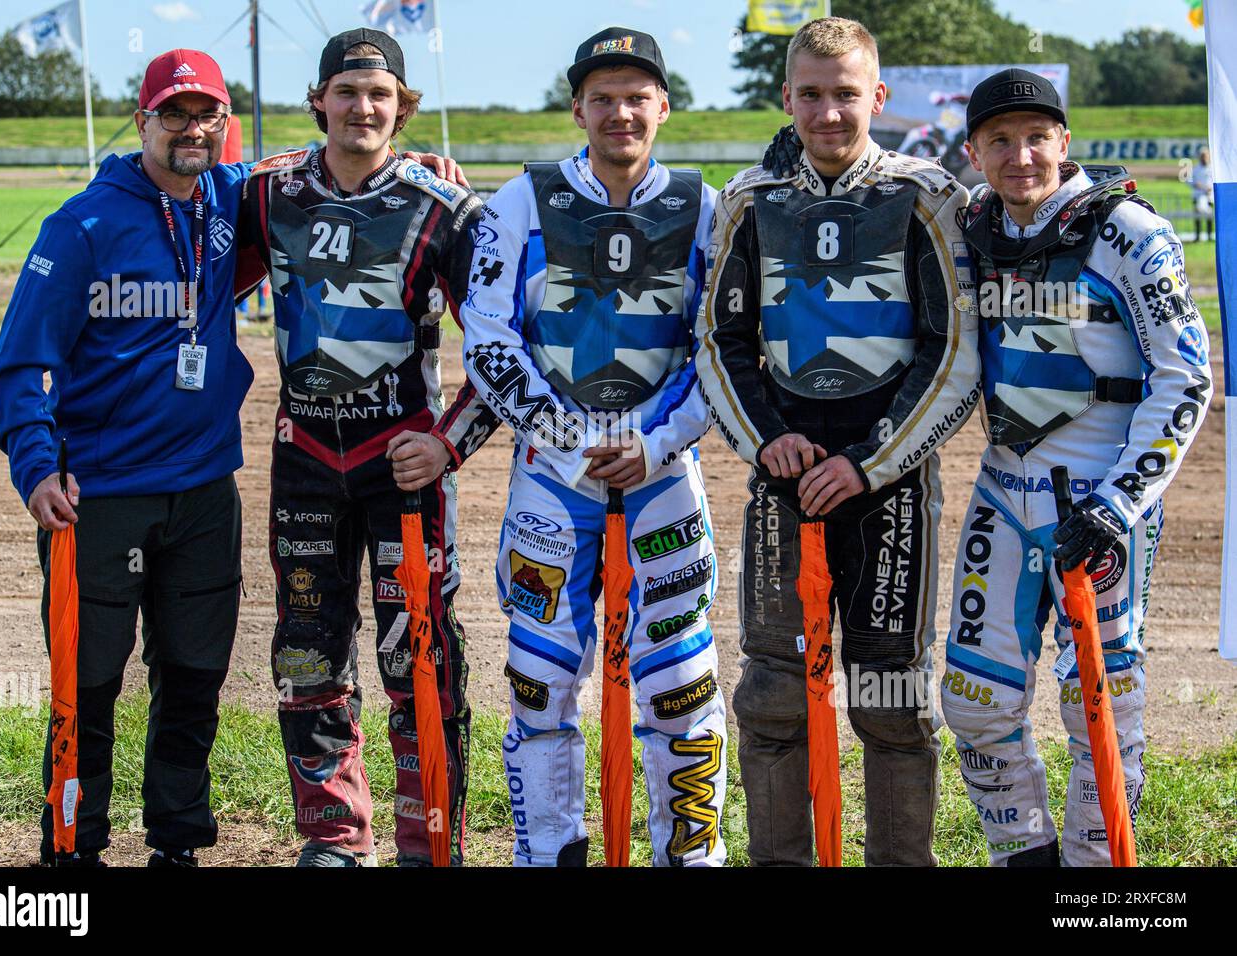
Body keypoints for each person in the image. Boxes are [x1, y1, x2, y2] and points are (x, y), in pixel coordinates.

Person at [696, 16, 980, 866]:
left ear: (878, 97)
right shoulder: (750, 201)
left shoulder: (927, 195)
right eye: (811, 94)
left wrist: (871, 463)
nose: (828, 112)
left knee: (893, 698)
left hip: (890, 486)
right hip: (783, 479)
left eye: (846, 93)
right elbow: (720, 342)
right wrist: (766, 444)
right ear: (786, 97)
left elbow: (954, 350)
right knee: (774, 695)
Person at [461, 27, 728, 866]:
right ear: (577, 107)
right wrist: (572, 441)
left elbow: (725, 344)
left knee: (680, 682)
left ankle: (689, 856)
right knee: (539, 681)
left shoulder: (709, 208)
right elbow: (487, 338)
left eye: (637, 96)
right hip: (552, 477)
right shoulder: (519, 202)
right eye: (603, 97)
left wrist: (659, 443)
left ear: (664, 106)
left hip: (664, 477)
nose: (621, 111)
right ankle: (549, 854)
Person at [236, 28, 499, 867]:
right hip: (304, 461)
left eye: (380, 95)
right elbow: (183, 238)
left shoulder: (445, 208)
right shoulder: (266, 196)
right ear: (319, 101)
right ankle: (334, 841)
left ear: (402, 106)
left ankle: (430, 844)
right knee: (307, 650)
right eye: (346, 93)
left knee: (418, 656)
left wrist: (449, 446)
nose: (363, 108)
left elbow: (505, 351)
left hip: (404, 468)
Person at [0, 49, 253, 867]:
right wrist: (36, 466)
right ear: (142, 120)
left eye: (206, 113)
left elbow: (331, 165)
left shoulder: (231, 200)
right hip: (99, 497)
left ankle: (178, 846)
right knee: (88, 687)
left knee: (195, 680)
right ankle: (71, 852)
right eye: (173, 113)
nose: (191, 128)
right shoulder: (82, 225)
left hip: (206, 491)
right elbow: (21, 360)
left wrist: (419, 160)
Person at [941, 69, 1212, 866]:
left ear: (1064, 141)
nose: (1020, 155)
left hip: (1102, 502)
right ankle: (1021, 859)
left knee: (1099, 703)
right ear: (974, 151)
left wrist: (1118, 504)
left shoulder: (1130, 231)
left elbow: (1187, 375)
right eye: (1000, 140)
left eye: (1036, 137)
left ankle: (1097, 880)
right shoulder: (973, 224)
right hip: (1002, 488)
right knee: (973, 700)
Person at [1191, 146, 1214, 243]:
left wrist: (1210, 188)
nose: (1204, 158)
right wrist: (1197, 184)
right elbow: (1190, 180)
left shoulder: (1212, 168)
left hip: (1209, 197)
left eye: (1206, 156)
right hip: (1198, 195)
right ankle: (1198, 236)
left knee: (1209, 217)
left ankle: (1209, 236)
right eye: (1202, 156)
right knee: (1197, 218)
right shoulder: (1195, 169)